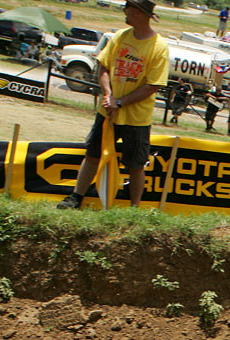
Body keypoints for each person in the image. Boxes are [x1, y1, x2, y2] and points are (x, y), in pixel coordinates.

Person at [57, 0, 168, 210]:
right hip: (107, 112)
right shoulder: (120, 36)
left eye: (128, 7)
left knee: (135, 164)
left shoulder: (159, 47)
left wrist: (120, 102)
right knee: (92, 154)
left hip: (136, 119)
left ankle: (134, 208)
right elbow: (104, 67)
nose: (125, 11)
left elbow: (152, 86)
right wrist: (108, 95)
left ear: (138, 12)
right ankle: (75, 197)